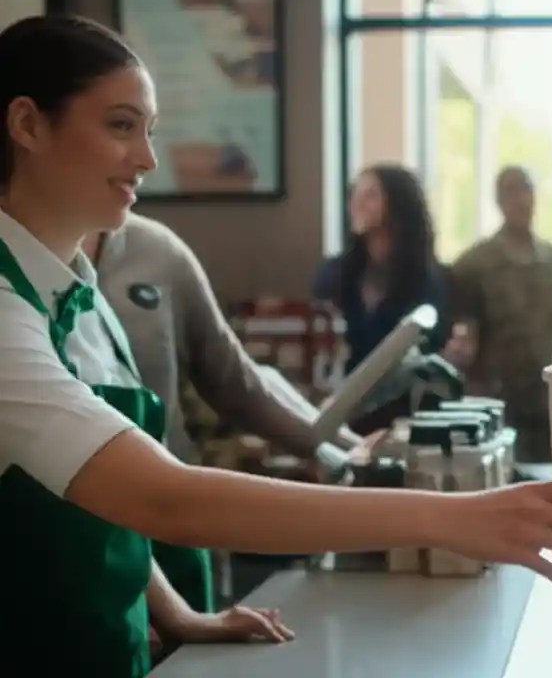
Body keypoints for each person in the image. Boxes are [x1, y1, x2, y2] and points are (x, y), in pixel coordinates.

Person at [0, 14, 552, 678]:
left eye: (150, 132)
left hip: (110, 645)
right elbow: (163, 497)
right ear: (28, 124)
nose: (148, 159)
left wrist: (177, 613)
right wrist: (448, 518)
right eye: (121, 126)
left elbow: (96, 489)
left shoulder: (82, 292)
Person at [81, 211, 372, 617]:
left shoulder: (157, 251)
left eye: (149, 141)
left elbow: (237, 380)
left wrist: (345, 449)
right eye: (121, 140)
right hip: (65, 538)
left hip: (170, 518)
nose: (147, 159)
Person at [450, 165, 552, 463]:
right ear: (498, 200)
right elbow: (463, 339)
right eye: (511, 191)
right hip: (498, 406)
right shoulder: (474, 266)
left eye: (526, 190)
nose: (520, 200)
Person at [313, 164, 451, 372]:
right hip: (343, 395)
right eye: (354, 195)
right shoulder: (334, 274)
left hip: (408, 396)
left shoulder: (431, 280)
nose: (356, 203)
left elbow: (436, 350)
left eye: (370, 195)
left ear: (399, 204)